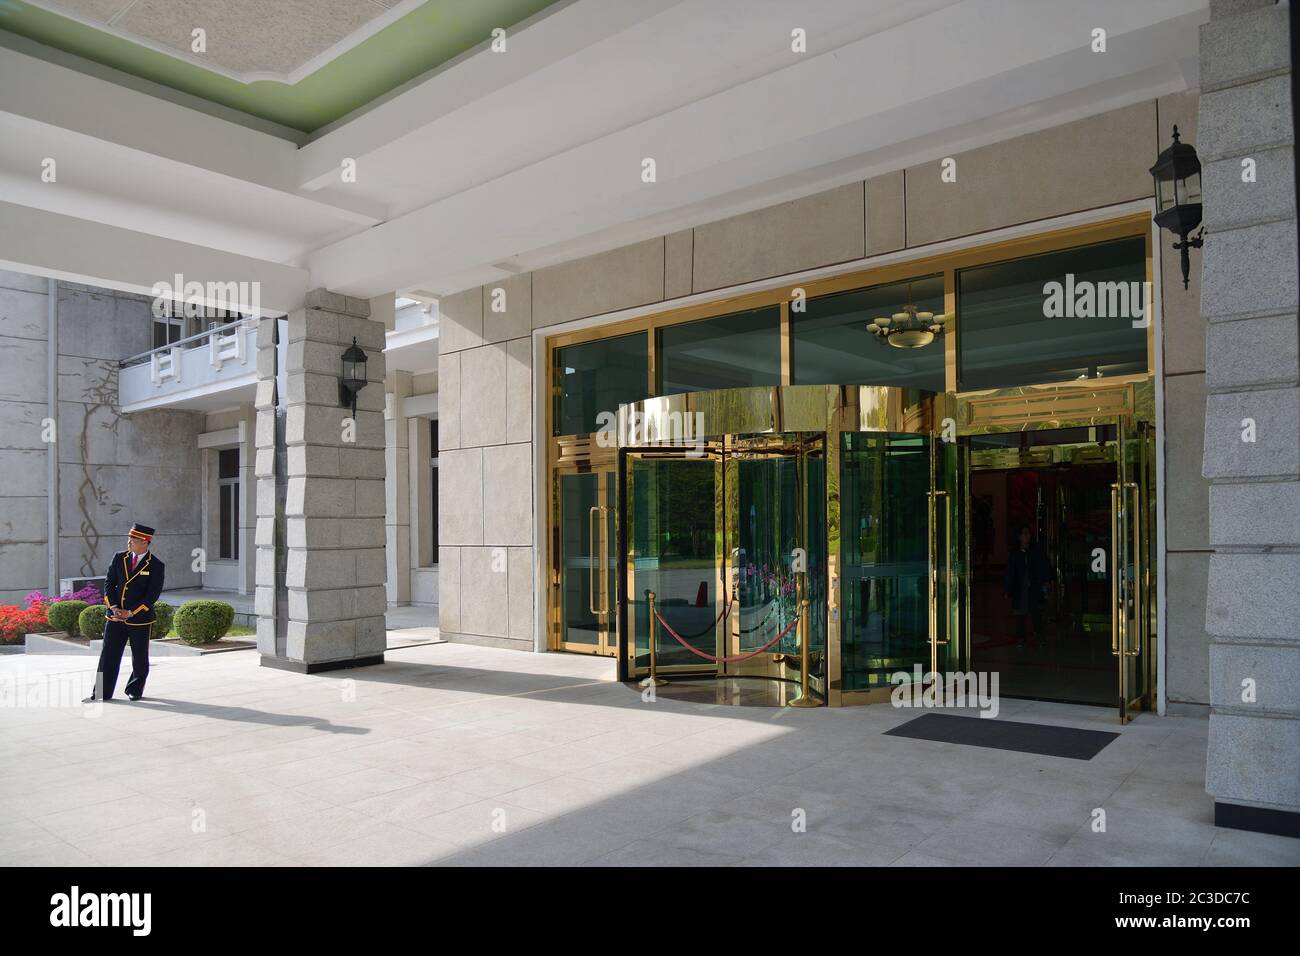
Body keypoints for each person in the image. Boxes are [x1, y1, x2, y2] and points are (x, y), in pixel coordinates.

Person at [84, 523, 166, 702]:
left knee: (139, 657)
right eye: (129, 539)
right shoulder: (119, 557)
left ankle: (135, 689)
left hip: (139, 618)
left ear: (145, 542)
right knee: (108, 655)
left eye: (133, 540)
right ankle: (101, 692)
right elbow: (109, 583)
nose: (129, 542)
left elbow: (152, 595)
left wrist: (130, 612)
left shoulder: (156, 565)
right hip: (114, 617)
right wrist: (113, 607)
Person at [1003, 524, 1051, 649]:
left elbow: (1044, 568)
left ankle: (1039, 637)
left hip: (1034, 589)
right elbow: (1010, 573)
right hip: (1020, 590)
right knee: (1020, 615)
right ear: (1019, 537)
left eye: (1028, 533)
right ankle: (1021, 638)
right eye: (1024, 533)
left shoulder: (1036, 551)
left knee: (1036, 615)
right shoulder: (1015, 554)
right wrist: (1008, 589)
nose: (1026, 536)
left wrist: (1045, 584)